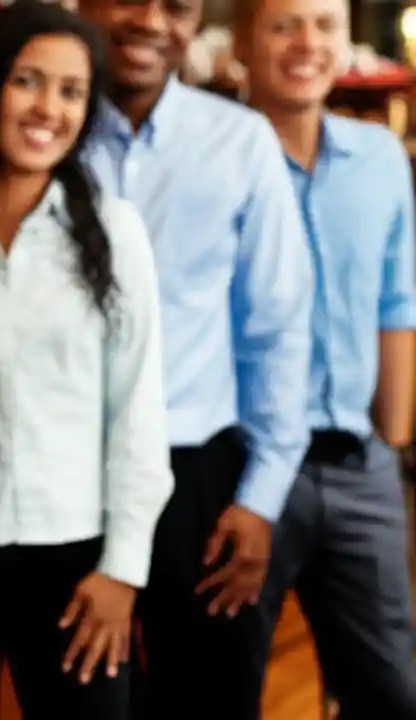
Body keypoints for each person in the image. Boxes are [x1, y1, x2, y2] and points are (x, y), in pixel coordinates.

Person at [0, 2, 174, 717]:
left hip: (80, 562)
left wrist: (123, 571)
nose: (48, 108)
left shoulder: (117, 233)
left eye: (70, 90)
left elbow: (137, 413)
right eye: (28, 81)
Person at [75, 0, 314, 716]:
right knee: (89, 699)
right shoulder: (43, 127)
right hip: (67, 476)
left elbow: (277, 325)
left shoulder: (240, 142)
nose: (150, 20)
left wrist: (259, 498)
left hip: (200, 480)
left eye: (176, 5)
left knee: (211, 700)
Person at [233, 0, 416, 715]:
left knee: (391, 693)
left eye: (325, 24)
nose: (307, 43)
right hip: (242, 472)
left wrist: (392, 441)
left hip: (357, 464)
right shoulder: (212, 155)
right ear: (245, 41)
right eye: (284, 25)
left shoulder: (377, 159)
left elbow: (397, 299)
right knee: (226, 685)